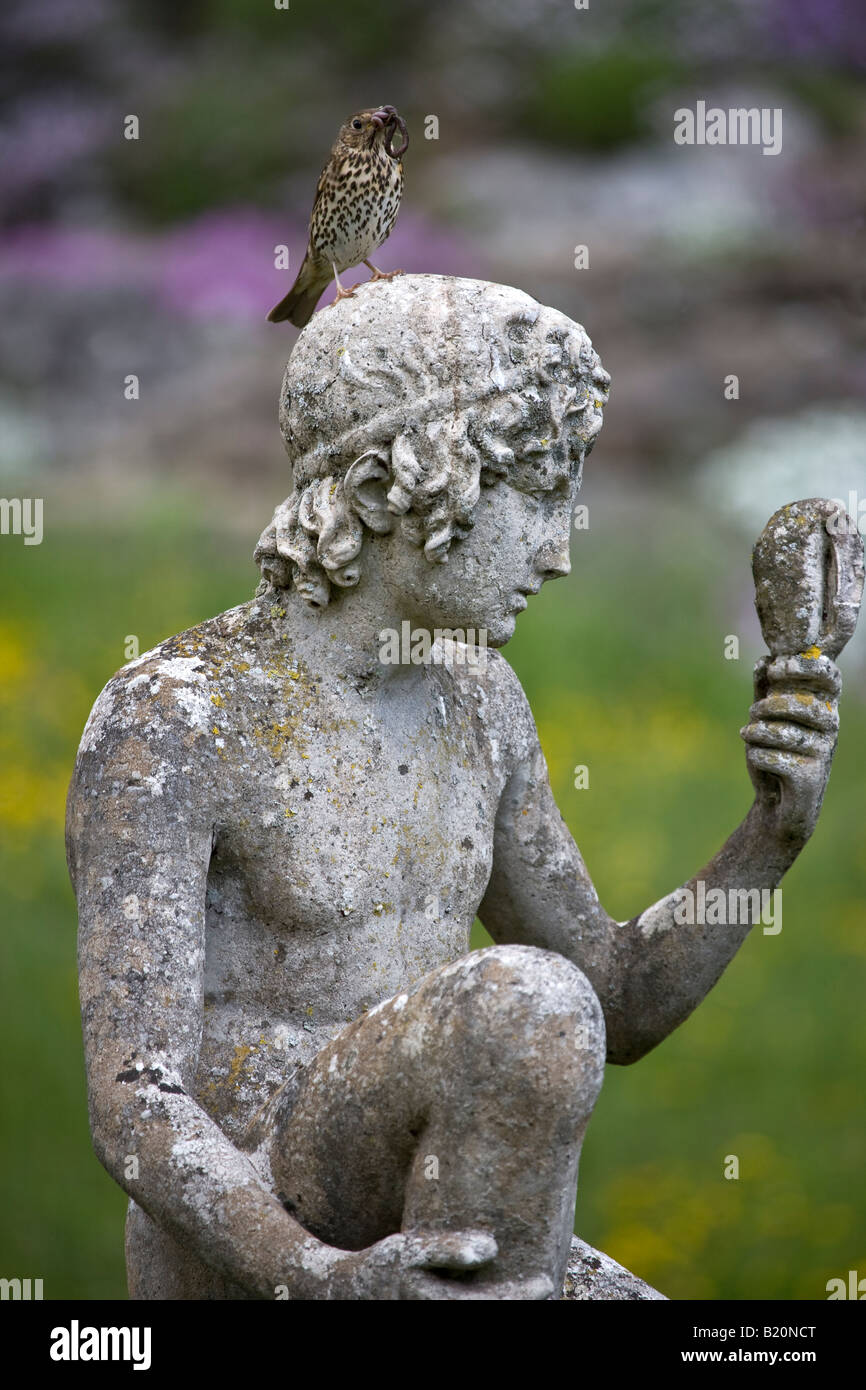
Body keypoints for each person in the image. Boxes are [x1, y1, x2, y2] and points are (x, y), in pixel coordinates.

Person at [66, 276, 842, 1299]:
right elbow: (137, 1101)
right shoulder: (176, 716)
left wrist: (770, 833)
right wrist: (317, 1276)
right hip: (259, 1231)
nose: (560, 551)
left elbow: (616, 1001)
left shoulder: (479, 700)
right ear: (399, 486)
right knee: (523, 1001)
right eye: (539, 493)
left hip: (433, 1211)